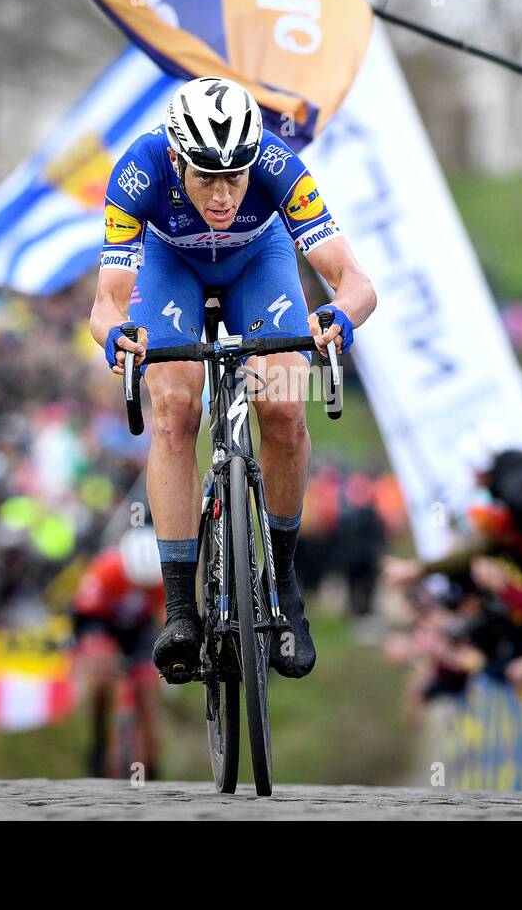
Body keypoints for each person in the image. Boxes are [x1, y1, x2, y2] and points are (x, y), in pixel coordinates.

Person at [89, 77, 377, 678]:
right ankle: (179, 610)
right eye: (205, 178)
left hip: (258, 261)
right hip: (173, 267)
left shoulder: (278, 165)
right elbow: (106, 305)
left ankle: (285, 582)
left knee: (286, 404)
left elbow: (356, 283)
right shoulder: (139, 172)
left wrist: (340, 318)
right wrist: (117, 337)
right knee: (173, 409)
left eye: (235, 178)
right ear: (176, 159)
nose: (221, 197)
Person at [72, 528, 165, 777]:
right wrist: (94, 649)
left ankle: (152, 764)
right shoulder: (106, 570)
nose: (143, 591)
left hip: (138, 631)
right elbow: (82, 616)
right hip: (101, 622)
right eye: (138, 585)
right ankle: (99, 734)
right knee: (101, 673)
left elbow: (165, 619)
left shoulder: (160, 580)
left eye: (148, 587)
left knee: (147, 688)